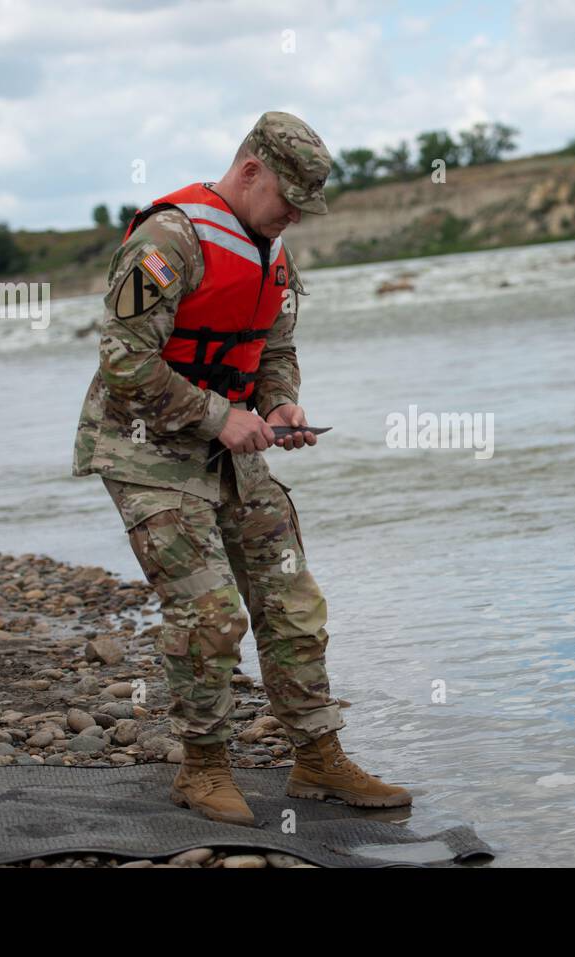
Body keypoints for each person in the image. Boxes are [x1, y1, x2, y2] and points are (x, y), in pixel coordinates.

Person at [73, 112, 411, 826]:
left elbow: (276, 349)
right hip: (147, 447)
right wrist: (217, 416)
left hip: (233, 447)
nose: (293, 216)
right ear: (251, 169)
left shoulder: (274, 253)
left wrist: (281, 405)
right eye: (288, 198)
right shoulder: (170, 239)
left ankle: (318, 757)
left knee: (292, 598)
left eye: (305, 207)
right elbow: (124, 360)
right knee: (208, 611)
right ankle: (202, 769)